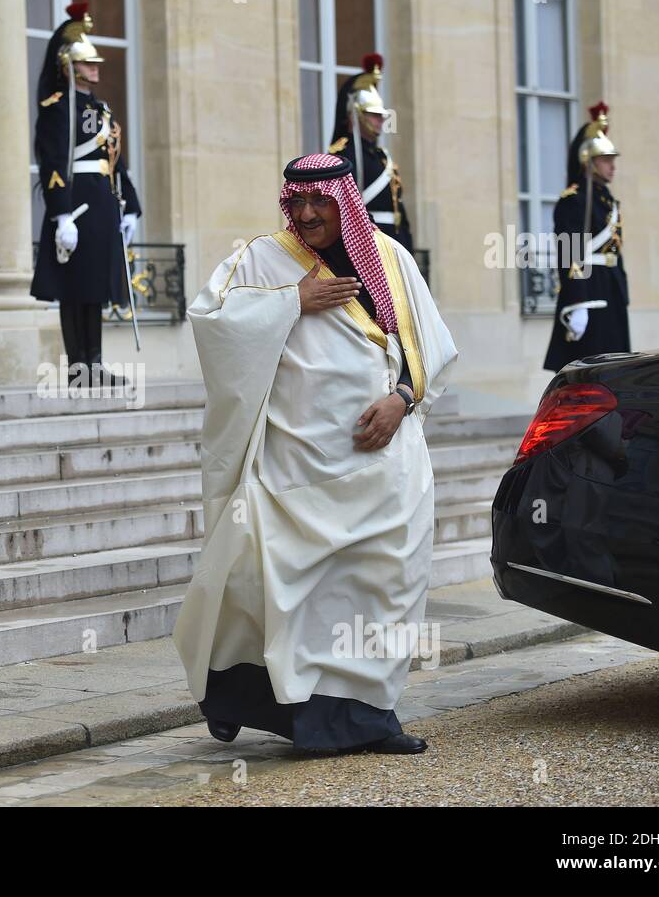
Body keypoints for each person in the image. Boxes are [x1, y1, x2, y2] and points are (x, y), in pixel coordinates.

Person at [172, 153, 458, 755]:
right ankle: (246, 702)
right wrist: (290, 301)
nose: (304, 214)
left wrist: (402, 399)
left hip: (385, 466)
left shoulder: (393, 260)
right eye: (296, 202)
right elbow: (210, 323)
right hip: (293, 468)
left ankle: (371, 719)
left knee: (382, 592)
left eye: (318, 202)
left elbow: (430, 347)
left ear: (345, 201)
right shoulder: (260, 258)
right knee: (271, 592)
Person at [30, 2, 142, 384]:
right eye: (88, 63)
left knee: (94, 286)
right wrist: (60, 214)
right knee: (73, 287)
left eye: (95, 64)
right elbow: (53, 164)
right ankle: (79, 366)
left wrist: (131, 208)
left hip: (101, 204)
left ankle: (95, 363)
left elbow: (115, 160)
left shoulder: (101, 108)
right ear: (69, 66)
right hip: (75, 204)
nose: (95, 68)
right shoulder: (57, 108)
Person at [543, 102, 629, 372]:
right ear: (588, 161)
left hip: (610, 289)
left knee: (615, 367)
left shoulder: (607, 201)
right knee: (590, 371)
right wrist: (577, 303)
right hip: (589, 292)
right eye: (606, 160)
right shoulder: (575, 200)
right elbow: (570, 252)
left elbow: (614, 252)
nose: (612, 166)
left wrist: (622, 291)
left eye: (612, 160)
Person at [327, 53, 414, 253]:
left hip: (394, 241)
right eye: (373, 116)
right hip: (367, 242)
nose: (380, 121)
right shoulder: (343, 154)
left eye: (381, 116)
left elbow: (399, 210)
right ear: (356, 114)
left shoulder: (382, 157)